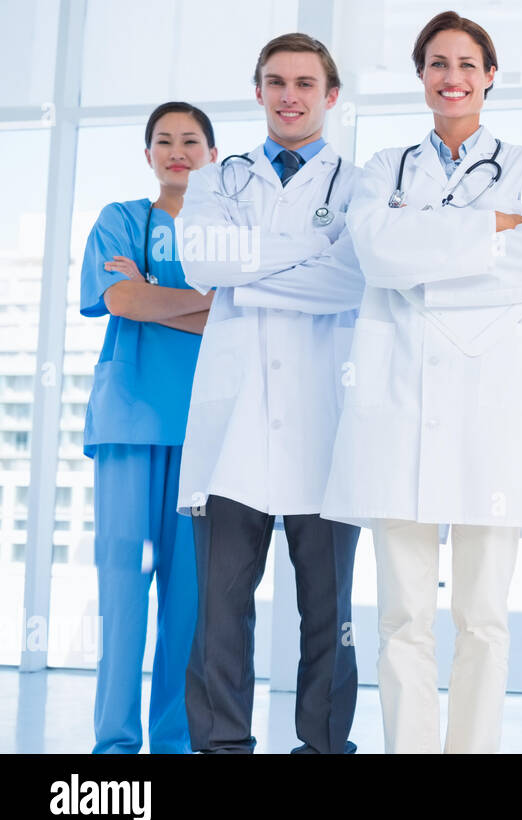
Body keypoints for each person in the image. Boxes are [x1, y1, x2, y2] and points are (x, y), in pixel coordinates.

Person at [320, 11, 522, 754]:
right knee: (401, 616)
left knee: (484, 617)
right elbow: (375, 257)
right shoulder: (385, 169)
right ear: (422, 75)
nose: (452, 76)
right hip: (397, 409)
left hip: (492, 418)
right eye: (437, 63)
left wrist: (423, 260)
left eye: (467, 63)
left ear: (489, 75)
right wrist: (486, 230)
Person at [176, 33, 365, 754]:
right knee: (220, 612)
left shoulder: (361, 182)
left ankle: (323, 746)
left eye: (305, 84)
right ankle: (221, 746)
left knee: (329, 612)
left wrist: (245, 268)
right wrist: (308, 251)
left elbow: (354, 279)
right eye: (277, 82)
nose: (290, 95)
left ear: (330, 96)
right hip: (236, 429)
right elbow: (200, 258)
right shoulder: (217, 179)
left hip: (327, 422)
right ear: (258, 91)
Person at [80, 102, 217, 754]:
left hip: (204, 436)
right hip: (130, 428)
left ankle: (175, 745)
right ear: (148, 155)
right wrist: (204, 301)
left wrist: (156, 297)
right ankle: (113, 748)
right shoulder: (120, 221)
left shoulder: (226, 234)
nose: (178, 150)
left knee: (188, 610)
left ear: (212, 155)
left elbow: (239, 317)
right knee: (124, 600)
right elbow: (122, 300)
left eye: (191, 140)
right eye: (164, 140)